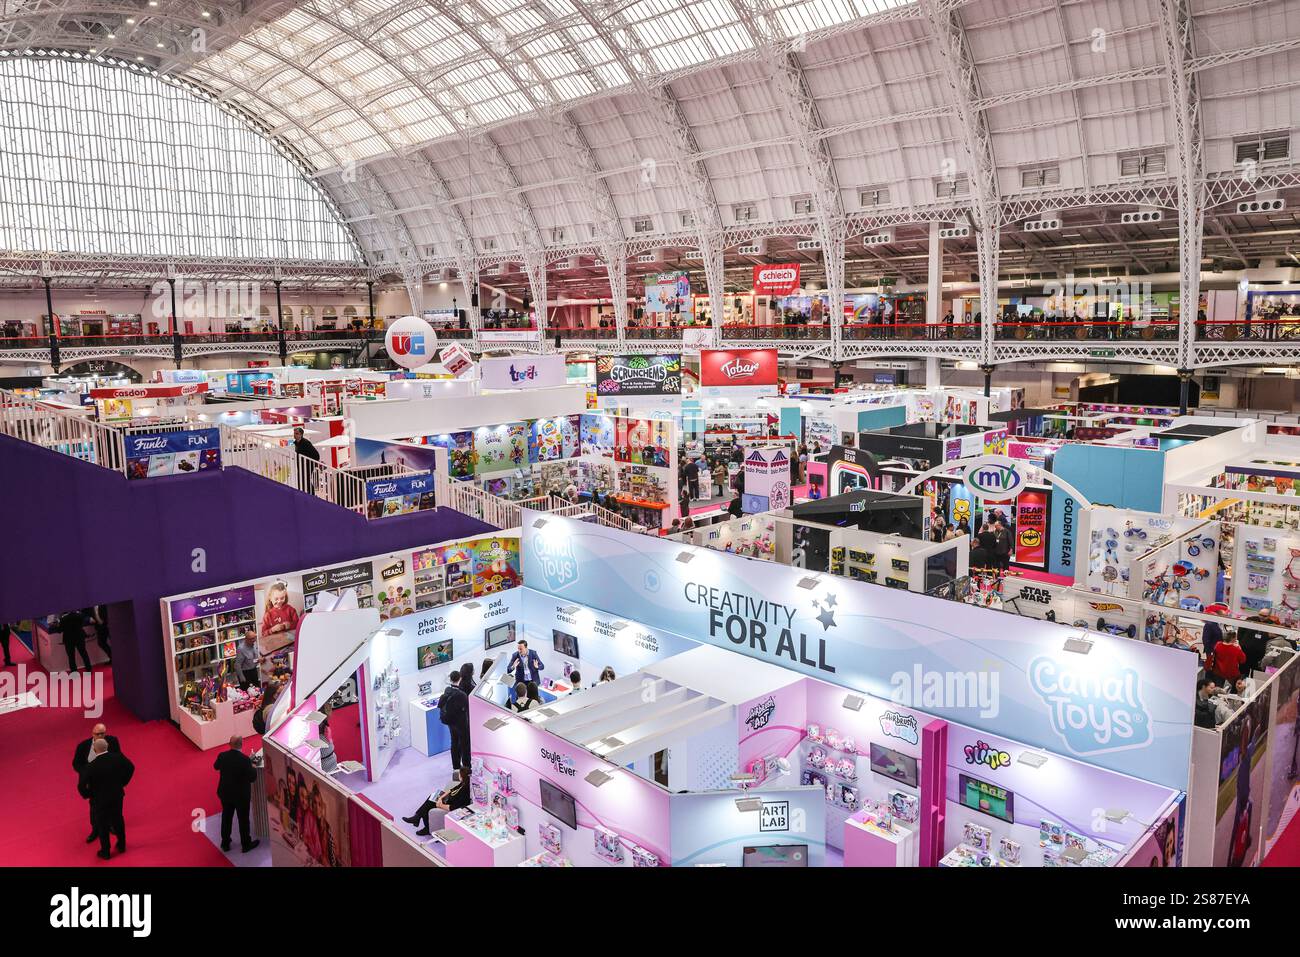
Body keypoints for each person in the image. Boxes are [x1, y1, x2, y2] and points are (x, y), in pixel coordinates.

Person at [78, 737, 134, 859]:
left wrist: (89, 794)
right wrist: (123, 782)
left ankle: (106, 851)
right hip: (117, 795)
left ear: (94, 749)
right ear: (107, 746)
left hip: (99, 800)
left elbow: (81, 786)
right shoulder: (117, 757)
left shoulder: (90, 767)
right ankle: (122, 844)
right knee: (118, 819)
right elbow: (131, 767)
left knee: (102, 824)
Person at [73, 722, 121, 843]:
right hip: (92, 783)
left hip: (108, 781)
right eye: (97, 734)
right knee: (94, 807)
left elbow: (118, 758)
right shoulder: (83, 746)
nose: (100, 736)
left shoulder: (113, 741)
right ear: (92, 733)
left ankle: (110, 825)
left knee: (111, 805)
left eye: (102, 733)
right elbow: (76, 764)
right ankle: (96, 830)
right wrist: (85, 774)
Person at [213, 735, 260, 854]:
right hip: (241, 796)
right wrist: (253, 765)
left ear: (229, 744)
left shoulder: (222, 756)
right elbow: (252, 777)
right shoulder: (245, 760)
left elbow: (216, 766)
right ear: (242, 744)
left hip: (225, 793)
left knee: (226, 818)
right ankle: (246, 844)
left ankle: (225, 843)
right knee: (243, 820)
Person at [403, 766, 472, 836]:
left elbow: (454, 807)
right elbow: (451, 790)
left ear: (462, 776)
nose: (458, 775)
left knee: (428, 805)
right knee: (432, 796)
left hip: (450, 804)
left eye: (459, 774)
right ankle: (418, 818)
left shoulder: (465, 790)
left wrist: (440, 805)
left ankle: (419, 820)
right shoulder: (463, 783)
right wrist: (440, 797)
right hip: (448, 799)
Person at [439, 671, 470, 770]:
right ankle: (466, 766)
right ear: (460, 679)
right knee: (464, 743)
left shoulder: (447, 690)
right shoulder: (462, 695)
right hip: (461, 723)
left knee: (454, 742)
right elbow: (466, 708)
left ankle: (456, 766)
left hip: (450, 722)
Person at [293, 426, 322, 493]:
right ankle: (304, 494)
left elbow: (316, 455)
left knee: (306, 480)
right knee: (302, 480)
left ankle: (312, 495)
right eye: (294, 433)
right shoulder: (296, 443)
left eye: (297, 433)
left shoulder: (306, 443)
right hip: (301, 465)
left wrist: (310, 463)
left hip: (307, 465)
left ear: (301, 434)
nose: (295, 435)